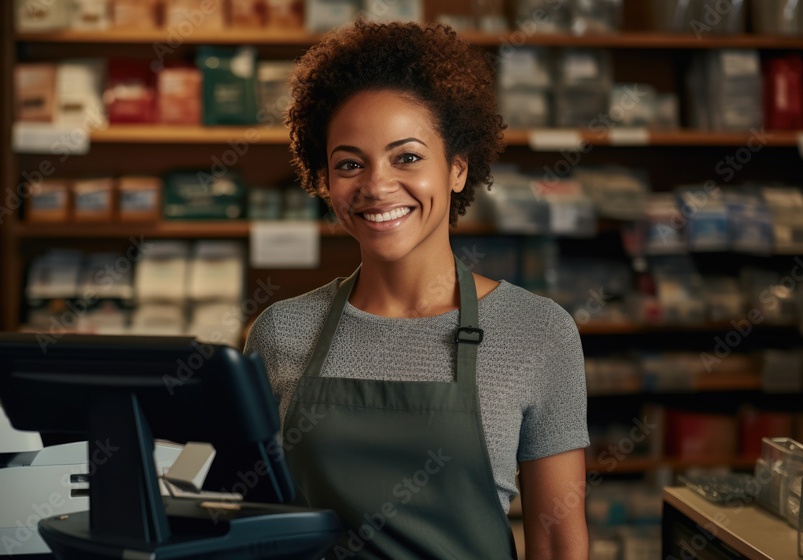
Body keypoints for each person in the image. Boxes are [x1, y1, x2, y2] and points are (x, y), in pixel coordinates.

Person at [243, 18, 589, 560]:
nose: (376, 186)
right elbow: (255, 523)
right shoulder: (283, 332)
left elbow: (557, 542)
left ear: (456, 169)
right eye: (350, 164)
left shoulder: (537, 332)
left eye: (406, 157)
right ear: (325, 181)